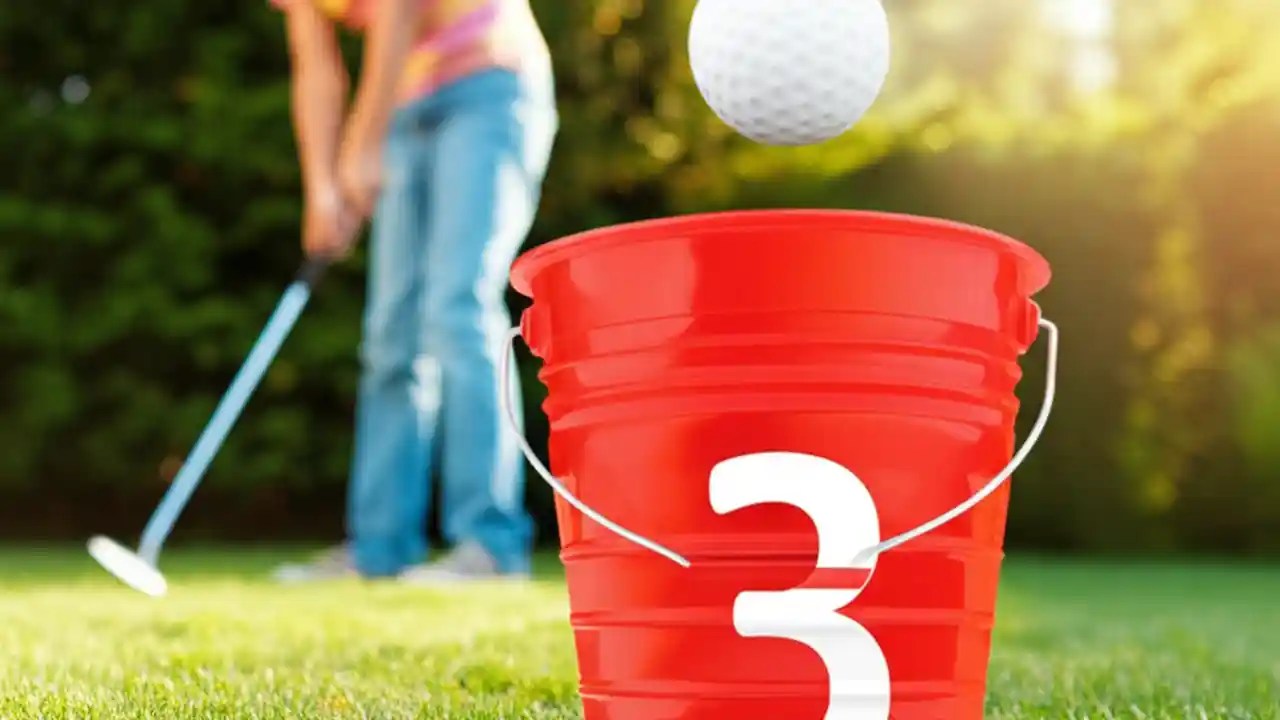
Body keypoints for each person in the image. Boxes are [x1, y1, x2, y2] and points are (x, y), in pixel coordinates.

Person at [268, 0, 557, 584]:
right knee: (390, 337)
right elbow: (316, 68)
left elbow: (399, 10)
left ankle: (489, 544)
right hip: (405, 103)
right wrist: (322, 185)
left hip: (491, 85)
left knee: (458, 307)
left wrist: (361, 145)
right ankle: (378, 549)